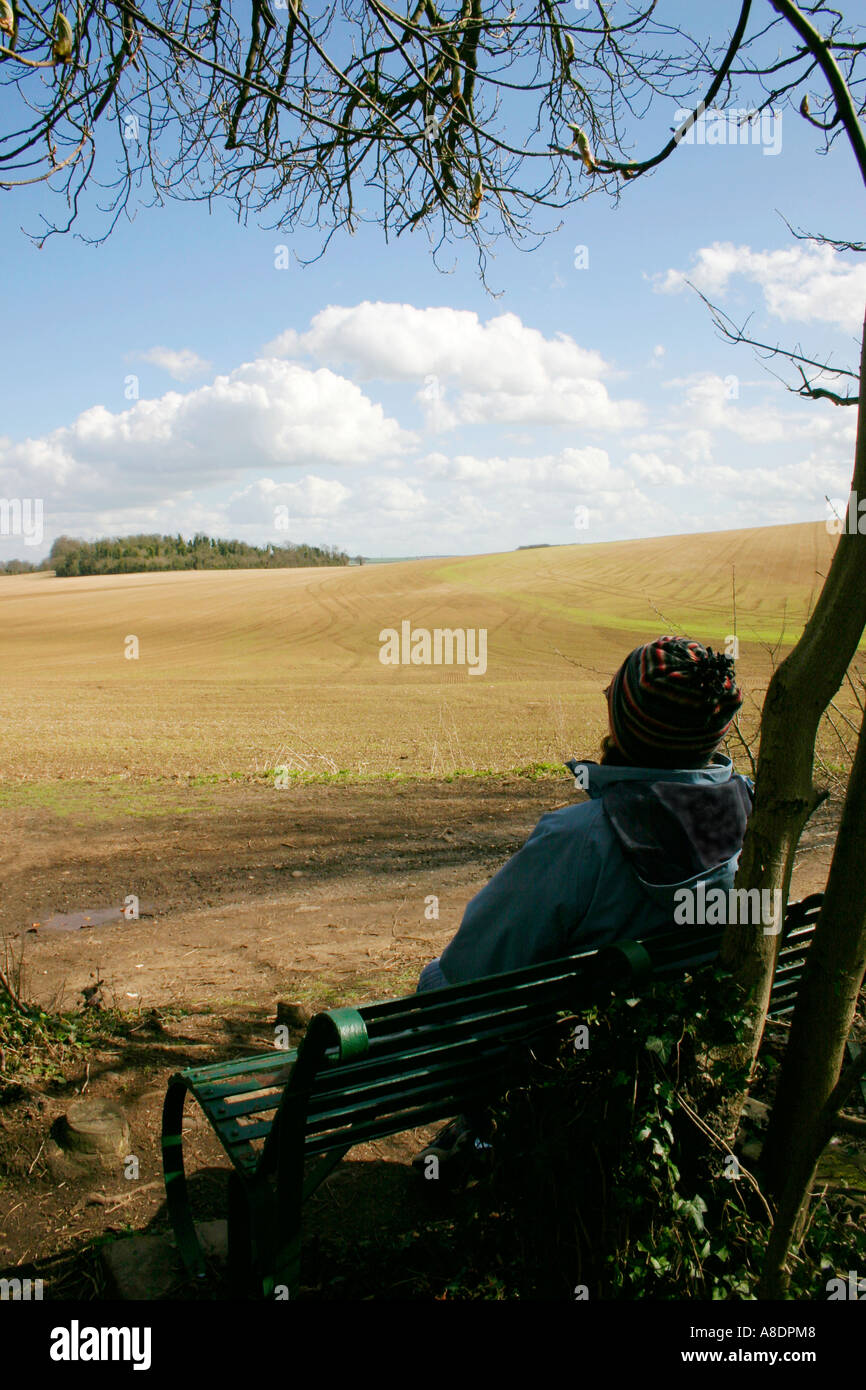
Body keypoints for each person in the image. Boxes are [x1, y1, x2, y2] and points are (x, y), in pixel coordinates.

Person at [413, 634, 750, 1168]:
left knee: (439, 990)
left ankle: (487, 1134)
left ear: (622, 723)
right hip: (667, 1059)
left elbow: (468, 985)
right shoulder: (750, 818)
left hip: (565, 1064)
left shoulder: (579, 839)